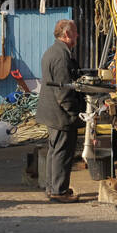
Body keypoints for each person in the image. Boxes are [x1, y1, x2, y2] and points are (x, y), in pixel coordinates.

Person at [36, 19, 82, 202]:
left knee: (55, 151)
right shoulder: (62, 56)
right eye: (75, 32)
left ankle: (53, 187)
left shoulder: (53, 51)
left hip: (51, 111)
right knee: (62, 152)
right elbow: (63, 90)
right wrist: (74, 113)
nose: (78, 35)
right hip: (59, 113)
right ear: (67, 34)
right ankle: (58, 191)